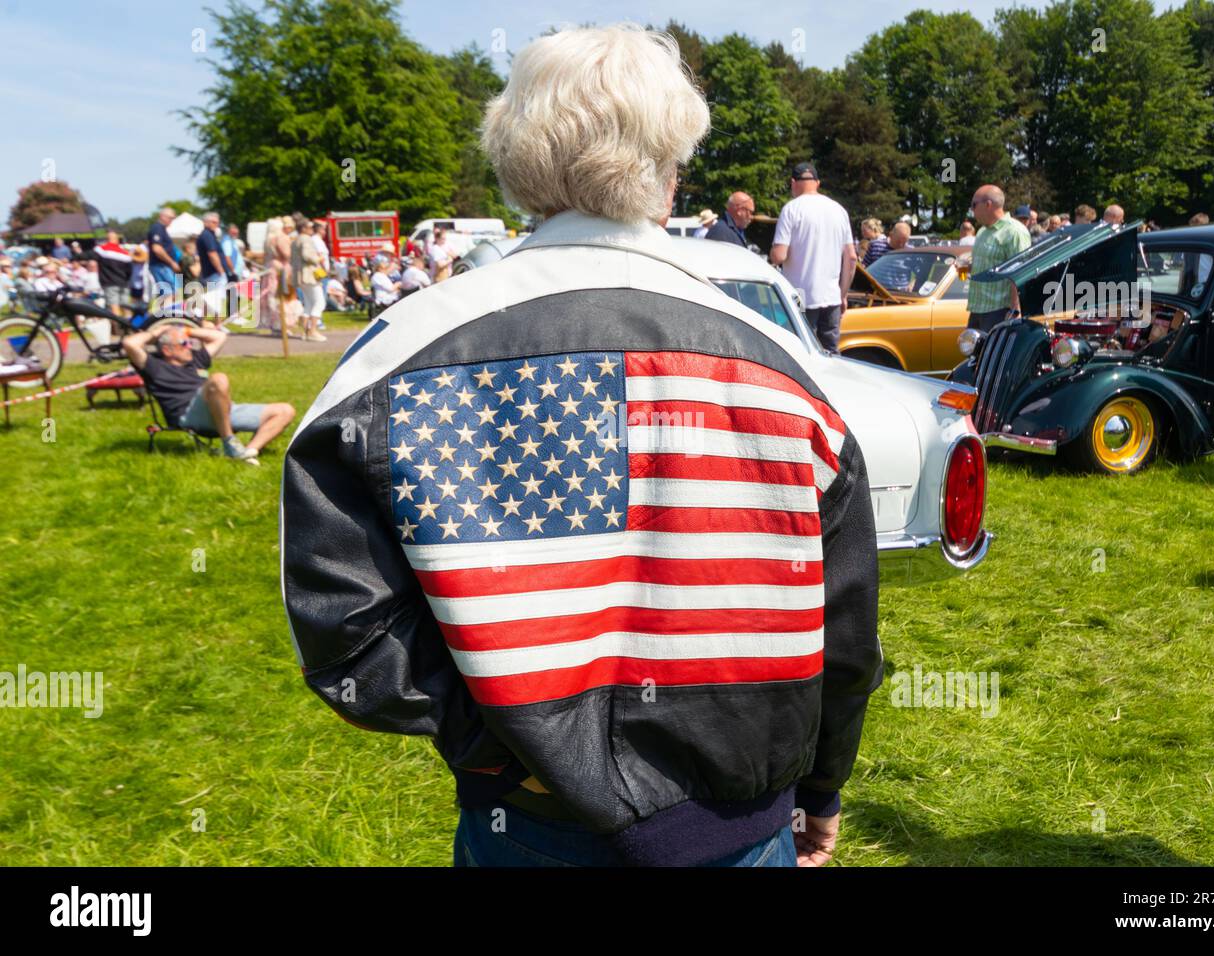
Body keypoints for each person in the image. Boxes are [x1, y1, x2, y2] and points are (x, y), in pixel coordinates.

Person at [280, 23, 882, 870]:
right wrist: (821, 787)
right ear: (672, 175)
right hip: (738, 825)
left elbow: (342, 626)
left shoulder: (399, 351)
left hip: (527, 822)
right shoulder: (783, 365)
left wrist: (501, 747)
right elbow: (845, 630)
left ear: (516, 162)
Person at [125, 323, 295, 463]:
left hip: (221, 409)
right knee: (218, 379)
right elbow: (130, 344)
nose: (190, 347)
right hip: (188, 414)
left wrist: (187, 331)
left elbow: (219, 336)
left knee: (286, 410)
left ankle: (248, 451)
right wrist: (158, 331)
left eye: (190, 342)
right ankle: (229, 441)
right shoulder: (154, 366)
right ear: (168, 350)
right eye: (184, 344)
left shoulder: (196, 359)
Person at [770, 162, 857, 351]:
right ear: (817, 182)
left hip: (799, 296)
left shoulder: (791, 209)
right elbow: (851, 258)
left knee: (801, 352)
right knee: (831, 354)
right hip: (831, 297)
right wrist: (842, 295)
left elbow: (778, 256)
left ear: (794, 183)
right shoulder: (839, 210)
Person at [964, 184, 1031, 332]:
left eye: (974, 205)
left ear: (988, 204)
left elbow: (1021, 272)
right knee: (975, 354)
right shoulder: (982, 231)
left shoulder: (1014, 231)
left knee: (995, 355)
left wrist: (1015, 310)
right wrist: (969, 267)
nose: (971, 210)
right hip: (977, 308)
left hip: (1000, 311)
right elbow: (988, 264)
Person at [197, 211, 236, 325]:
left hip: (211, 272)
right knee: (215, 298)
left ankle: (201, 321)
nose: (216, 224)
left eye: (217, 222)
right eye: (213, 222)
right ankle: (213, 322)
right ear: (206, 222)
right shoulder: (207, 235)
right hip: (214, 272)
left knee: (214, 299)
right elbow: (212, 254)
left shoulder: (209, 235)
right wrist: (221, 270)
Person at [291, 221, 327, 342]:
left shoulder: (296, 240)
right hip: (309, 275)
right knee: (319, 303)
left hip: (300, 275)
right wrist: (318, 258)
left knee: (308, 304)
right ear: (303, 228)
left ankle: (305, 332)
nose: (312, 229)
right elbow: (307, 255)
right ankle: (312, 331)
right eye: (310, 227)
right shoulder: (306, 239)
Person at [92, 230, 134, 317]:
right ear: (117, 239)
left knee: (114, 309)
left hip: (110, 284)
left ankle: (118, 329)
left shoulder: (101, 250)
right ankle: (130, 328)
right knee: (126, 308)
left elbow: (88, 256)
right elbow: (129, 271)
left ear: (107, 239)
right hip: (124, 283)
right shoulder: (125, 254)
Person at [146, 207, 183, 301]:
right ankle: (167, 314)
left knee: (172, 293)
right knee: (170, 293)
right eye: (170, 218)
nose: (172, 220)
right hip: (161, 266)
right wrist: (172, 262)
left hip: (163, 266)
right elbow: (157, 249)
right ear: (162, 216)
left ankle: (166, 313)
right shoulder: (157, 228)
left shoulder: (161, 229)